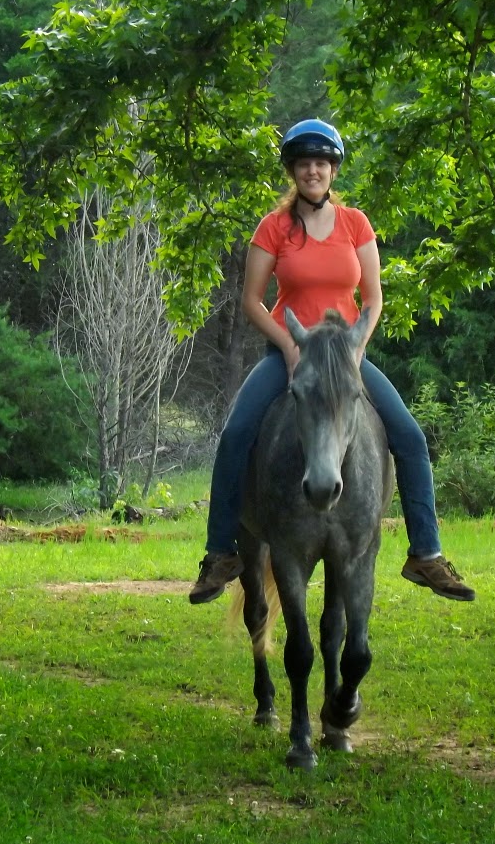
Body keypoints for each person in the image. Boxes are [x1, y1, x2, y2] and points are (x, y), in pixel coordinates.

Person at [189, 118, 475, 606]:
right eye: (304, 164)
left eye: (321, 163)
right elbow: (252, 302)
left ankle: (426, 553)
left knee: (408, 435)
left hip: (344, 355)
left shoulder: (355, 224)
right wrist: (287, 345)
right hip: (291, 353)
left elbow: (373, 299)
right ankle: (220, 553)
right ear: (292, 171)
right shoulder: (273, 227)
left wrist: (357, 348)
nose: (313, 171)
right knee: (236, 434)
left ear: (333, 170)